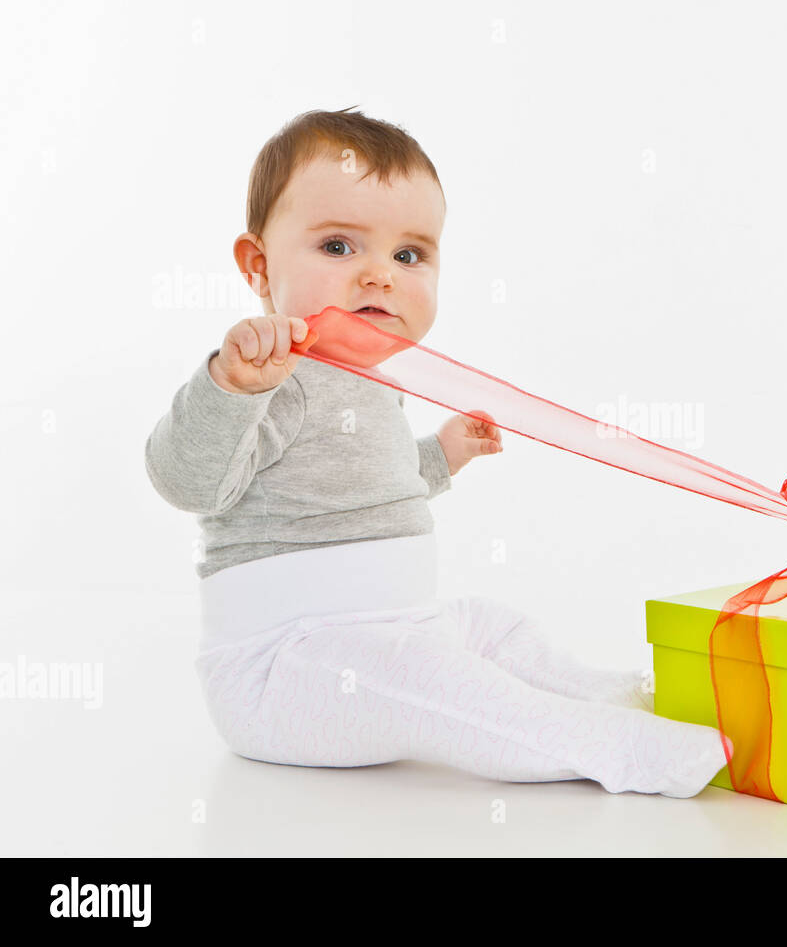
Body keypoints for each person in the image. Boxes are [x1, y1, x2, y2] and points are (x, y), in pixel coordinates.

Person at [145, 107, 731, 798]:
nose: (379, 276)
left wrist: (441, 457)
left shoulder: (374, 385)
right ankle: (612, 748)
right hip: (285, 665)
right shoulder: (268, 379)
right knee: (442, 686)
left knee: (494, 628)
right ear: (259, 266)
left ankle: (621, 695)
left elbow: (372, 492)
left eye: (408, 255)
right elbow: (187, 481)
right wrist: (226, 387)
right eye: (338, 247)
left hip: (394, 627)